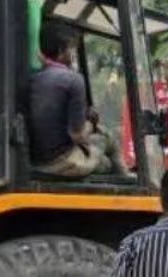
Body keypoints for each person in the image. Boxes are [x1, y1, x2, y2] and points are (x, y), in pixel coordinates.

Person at [28, 22, 119, 177]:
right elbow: (77, 136)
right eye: (71, 49)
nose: (73, 54)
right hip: (61, 162)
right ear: (61, 50)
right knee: (107, 151)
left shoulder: (33, 79)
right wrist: (90, 122)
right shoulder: (73, 80)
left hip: (36, 161)